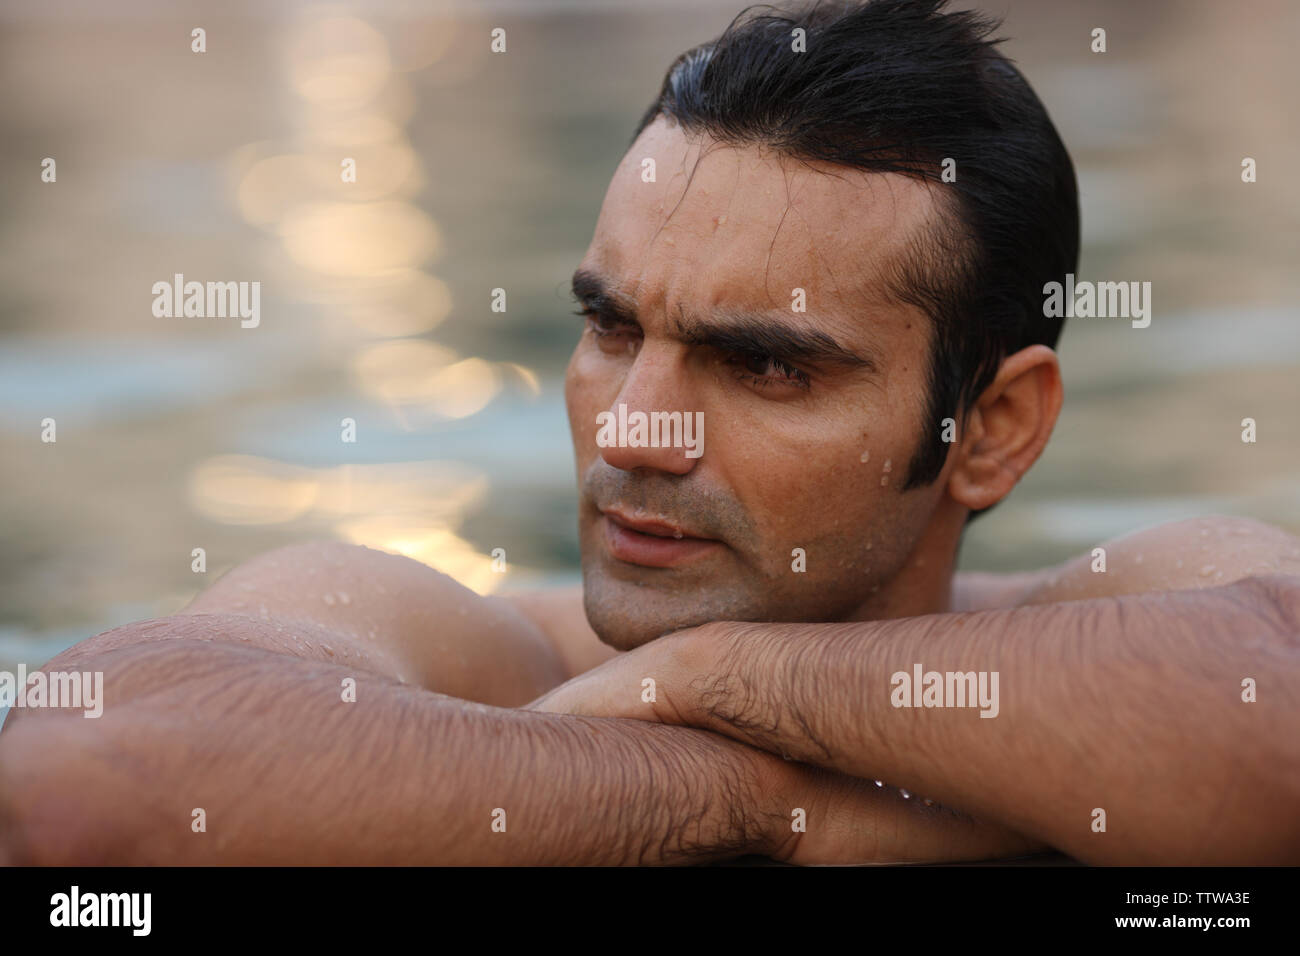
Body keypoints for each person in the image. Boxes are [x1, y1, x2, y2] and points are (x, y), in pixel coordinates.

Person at [2, 0, 1297, 866]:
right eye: (613, 329)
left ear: (993, 430)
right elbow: (78, 783)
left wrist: (717, 684)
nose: (634, 430)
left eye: (764, 364)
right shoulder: (465, 658)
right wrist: (752, 796)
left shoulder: (1135, 618)